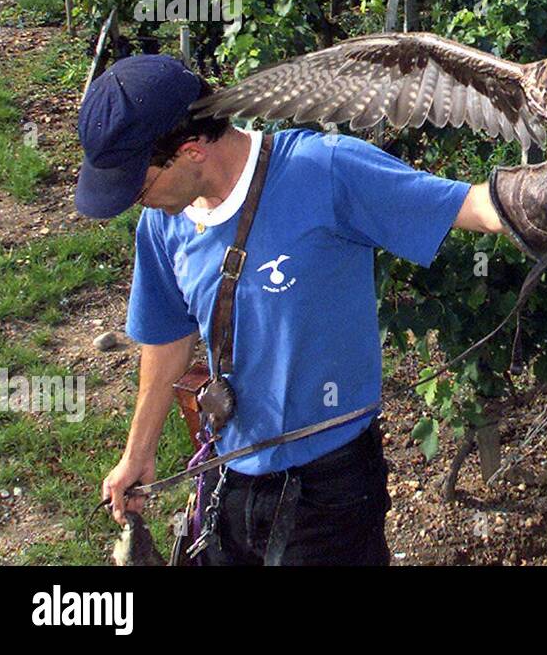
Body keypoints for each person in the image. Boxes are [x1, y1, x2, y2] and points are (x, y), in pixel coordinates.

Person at [81, 54, 511, 565]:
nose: (139, 203)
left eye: (141, 186)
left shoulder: (322, 171)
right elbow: (168, 336)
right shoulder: (163, 226)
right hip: (229, 473)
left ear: (192, 152)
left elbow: (475, 208)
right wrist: (139, 450)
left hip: (330, 491)